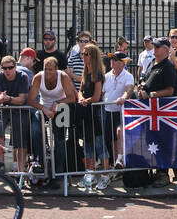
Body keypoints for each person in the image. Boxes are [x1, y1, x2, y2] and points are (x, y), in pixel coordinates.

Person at [136, 34, 177, 186]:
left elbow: (170, 90)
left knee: (161, 141)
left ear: (166, 50)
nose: (154, 48)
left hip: (161, 111)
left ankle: (163, 173)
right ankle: (153, 170)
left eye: (157, 46)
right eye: (154, 46)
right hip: (148, 110)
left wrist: (152, 94)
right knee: (150, 140)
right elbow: (144, 78)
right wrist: (141, 86)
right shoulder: (151, 62)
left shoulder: (167, 67)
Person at [32, 55, 77, 176]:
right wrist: (44, 109)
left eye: (50, 69)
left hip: (61, 108)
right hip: (44, 108)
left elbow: (72, 97)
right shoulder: (38, 77)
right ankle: (42, 163)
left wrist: (57, 103)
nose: (47, 72)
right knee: (35, 131)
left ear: (56, 68)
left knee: (60, 139)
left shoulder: (63, 77)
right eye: (45, 69)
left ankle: (58, 170)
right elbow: (31, 100)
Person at [0, 55, 33, 174]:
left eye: (10, 68)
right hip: (5, 109)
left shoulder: (22, 77)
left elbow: (21, 99)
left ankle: (20, 170)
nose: (7, 71)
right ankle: (0, 163)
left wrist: (7, 98)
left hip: (20, 110)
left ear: (15, 67)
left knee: (20, 141)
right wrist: (1, 99)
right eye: (4, 68)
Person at [76, 43, 109, 189]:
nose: (83, 57)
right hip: (86, 112)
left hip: (96, 112)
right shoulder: (86, 72)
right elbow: (80, 90)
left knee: (100, 144)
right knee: (88, 145)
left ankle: (105, 175)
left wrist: (85, 100)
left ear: (93, 56)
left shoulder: (98, 74)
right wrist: (81, 98)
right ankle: (89, 174)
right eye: (83, 54)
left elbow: (96, 96)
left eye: (86, 54)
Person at [102, 52, 135, 170]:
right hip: (107, 111)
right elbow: (102, 93)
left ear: (122, 63)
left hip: (121, 110)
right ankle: (115, 162)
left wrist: (124, 98)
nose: (112, 61)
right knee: (110, 138)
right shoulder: (106, 76)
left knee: (119, 132)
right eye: (112, 59)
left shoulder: (128, 76)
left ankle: (119, 159)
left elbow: (129, 89)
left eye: (115, 59)